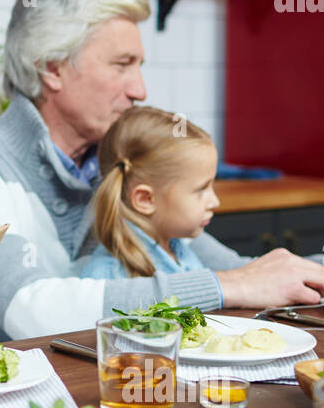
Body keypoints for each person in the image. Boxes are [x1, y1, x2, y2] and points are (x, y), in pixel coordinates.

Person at [0, 0, 324, 341]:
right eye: (122, 65)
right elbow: (28, 310)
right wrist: (228, 286)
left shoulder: (119, 165)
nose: (140, 89)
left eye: (139, 66)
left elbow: (246, 271)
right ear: (52, 69)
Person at [82, 106, 230, 280]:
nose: (215, 202)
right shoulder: (111, 275)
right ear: (145, 199)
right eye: (201, 189)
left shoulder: (179, 251)